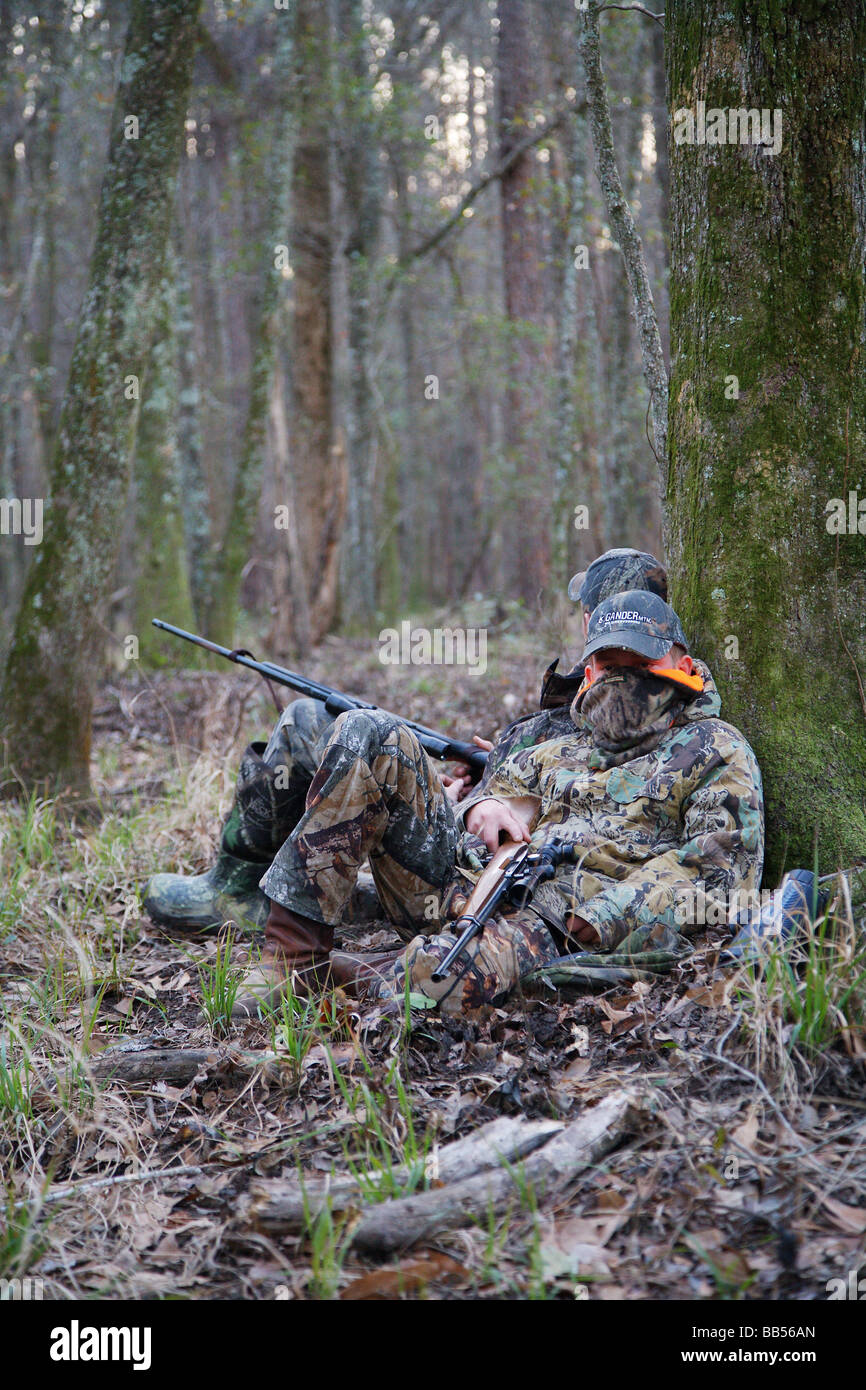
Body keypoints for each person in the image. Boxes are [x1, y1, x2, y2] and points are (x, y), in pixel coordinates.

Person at [228, 588, 765, 1020]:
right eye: (607, 661)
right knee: (366, 730)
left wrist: (599, 915)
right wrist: (476, 810)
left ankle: (361, 974)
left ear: (682, 663)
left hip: (558, 923)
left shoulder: (714, 747)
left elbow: (716, 874)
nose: (621, 675)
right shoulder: (555, 739)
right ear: (590, 670)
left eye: (640, 662)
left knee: (434, 986)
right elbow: (488, 799)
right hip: (465, 887)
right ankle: (292, 956)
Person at [142, 547, 669, 940]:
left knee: (365, 734)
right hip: (458, 849)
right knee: (308, 718)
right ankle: (238, 886)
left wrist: (479, 798)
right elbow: (513, 787)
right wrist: (476, 784)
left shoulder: (656, 730)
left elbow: (567, 824)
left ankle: (288, 931)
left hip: (486, 889)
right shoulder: (565, 708)